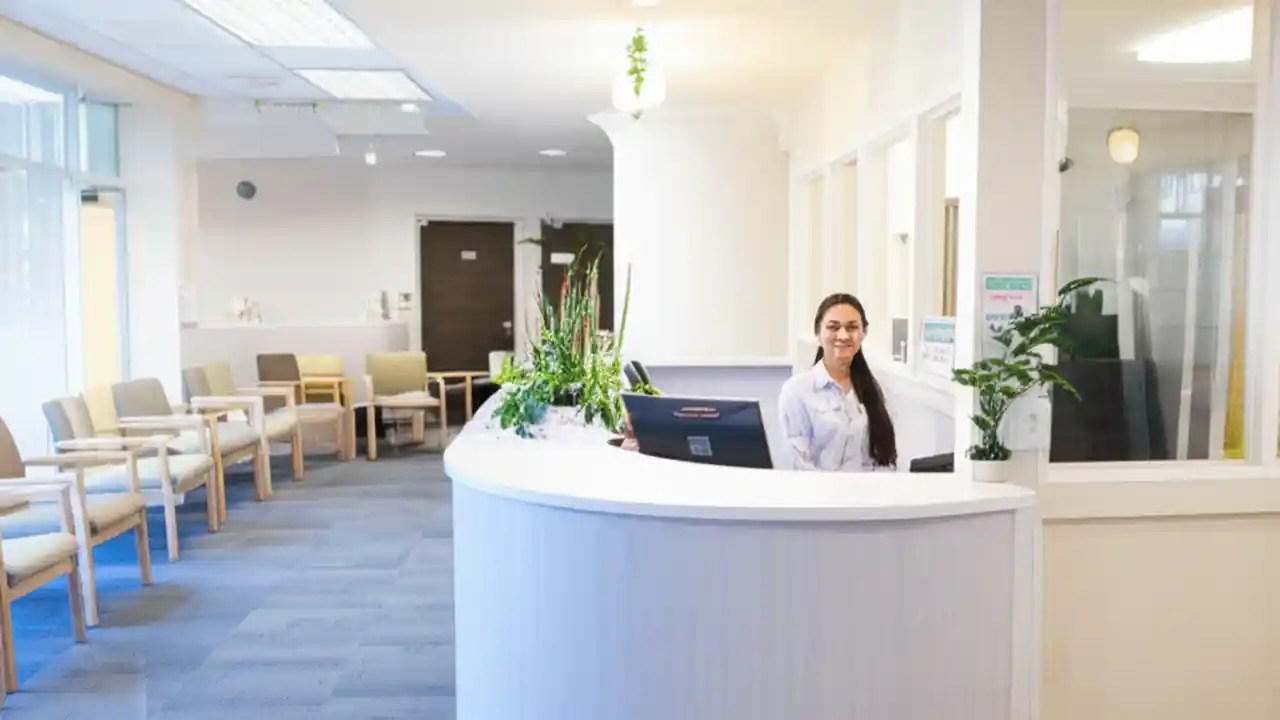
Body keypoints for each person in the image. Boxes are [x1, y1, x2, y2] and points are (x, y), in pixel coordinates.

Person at [778, 293, 898, 471]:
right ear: (818, 333)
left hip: (868, 495)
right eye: (833, 327)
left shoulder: (879, 390)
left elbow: (885, 461)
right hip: (818, 496)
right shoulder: (797, 391)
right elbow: (799, 464)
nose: (843, 335)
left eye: (852, 327)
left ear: (864, 333)